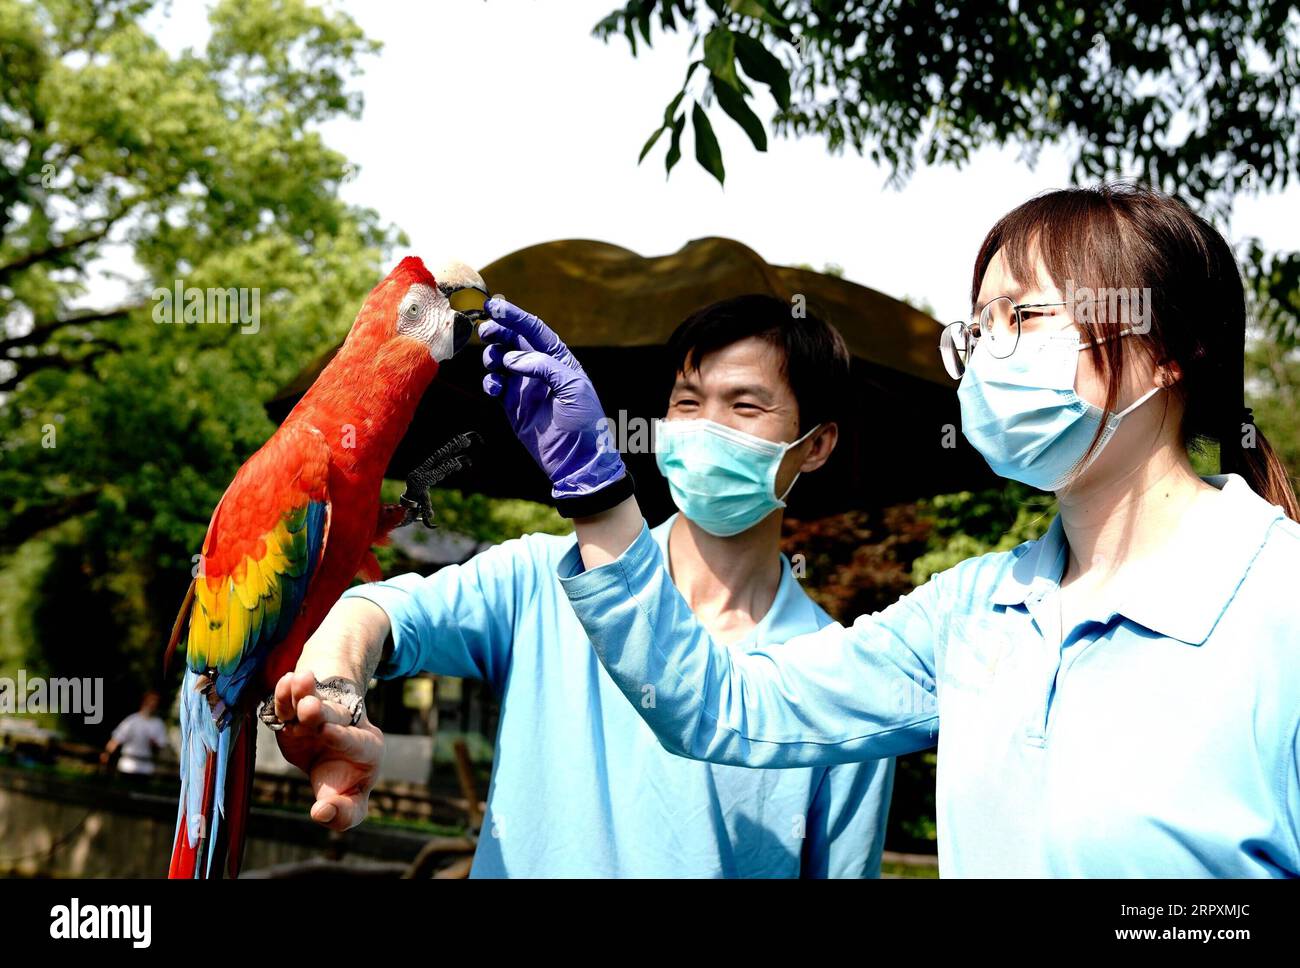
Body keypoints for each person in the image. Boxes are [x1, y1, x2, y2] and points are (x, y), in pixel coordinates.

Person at [481, 183, 1300, 877]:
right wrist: (597, 492)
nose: (988, 358)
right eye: (978, 331)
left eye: (1023, 318)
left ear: (1168, 353)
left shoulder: (1280, 605)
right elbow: (719, 708)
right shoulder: (971, 611)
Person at [268, 295, 896, 877]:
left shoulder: (839, 681)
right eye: (686, 401)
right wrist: (335, 696)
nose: (705, 427)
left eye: (744, 405)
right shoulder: (544, 578)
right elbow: (375, 608)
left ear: (815, 446)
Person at [101, 690, 170, 776]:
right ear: (144, 702)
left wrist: (154, 745)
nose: (153, 705)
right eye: (151, 702)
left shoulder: (159, 724)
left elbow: (161, 746)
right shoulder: (132, 720)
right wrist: (106, 754)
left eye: (155, 703)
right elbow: (116, 739)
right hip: (127, 767)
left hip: (146, 770)